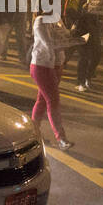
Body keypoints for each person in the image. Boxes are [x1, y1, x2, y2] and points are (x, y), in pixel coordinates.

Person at [29, 11, 85, 149]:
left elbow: (65, 35)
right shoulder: (40, 21)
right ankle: (61, 138)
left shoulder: (57, 19)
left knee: (42, 100)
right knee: (53, 100)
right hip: (42, 65)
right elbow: (50, 45)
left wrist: (74, 32)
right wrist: (72, 42)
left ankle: (33, 133)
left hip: (56, 64)